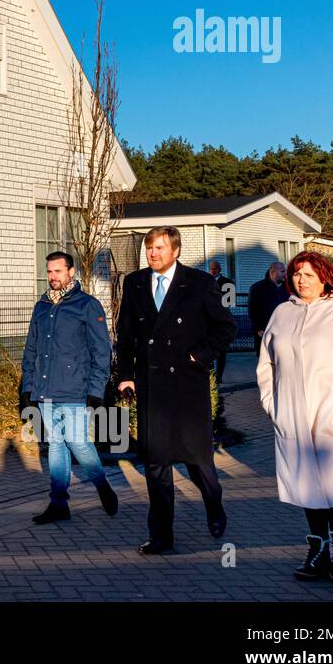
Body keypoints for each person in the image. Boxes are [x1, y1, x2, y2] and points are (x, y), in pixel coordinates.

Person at [116, 226, 237, 555]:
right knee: (156, 465)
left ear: (175, 251)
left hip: (186, 385)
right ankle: (161, 536)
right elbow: (125, 334)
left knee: (198, 463)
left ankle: (214, 504)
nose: (152, 253)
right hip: (152, 387)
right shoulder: (135, 282)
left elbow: (226, 327)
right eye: (149, 248)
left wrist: (200, 356)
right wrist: (126, 374)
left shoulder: (199, 283)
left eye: (159, 248)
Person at [256, 252, 333, 582]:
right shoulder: (282, 313)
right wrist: (273, 405)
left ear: (325, 276)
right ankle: (318, 547)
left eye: (309, 274)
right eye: (296, 274)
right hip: (292, 413)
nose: (301, 280)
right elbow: (266, 363)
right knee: (305, 480)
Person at [20, 251, 118, 524]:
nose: (53, 277)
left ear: (71, 272)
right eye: (49, 271)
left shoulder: (87, 305)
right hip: (45, 389)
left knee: (78, 442)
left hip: (76, 388)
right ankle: (58, 503)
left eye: (58, 271)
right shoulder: (41, 306)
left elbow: (101, 352)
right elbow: (31, 349)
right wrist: (27, 386)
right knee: (55, 444)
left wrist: (96, 391)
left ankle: (101, 483)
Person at [249, 262, 289, 354]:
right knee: (265, 358)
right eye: (282, 271)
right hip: (264, 331)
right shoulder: (257, 287)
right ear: (273, 271)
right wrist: (258, 328)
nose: (285, 274)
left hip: (283, 331)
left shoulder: (287, 288)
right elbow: (253, 309)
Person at [208, 260, 236, 384]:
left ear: (219, 269)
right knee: (208, 349)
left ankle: (219, 376)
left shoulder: (228, 283)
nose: (213, 271)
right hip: (208, 320)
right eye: (211, 269)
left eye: (215, 269)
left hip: (221, 320)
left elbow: (229, 302)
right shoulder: (206, 281)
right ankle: (212, 375)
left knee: (222, 351)